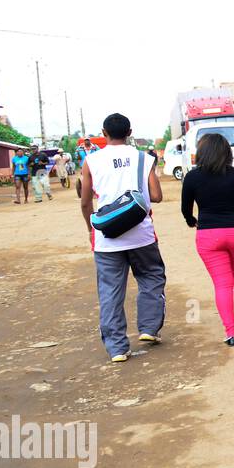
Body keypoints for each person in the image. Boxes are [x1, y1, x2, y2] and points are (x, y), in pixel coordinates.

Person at [79, 113, 166, 363]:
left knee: (110, 291)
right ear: (130, 132)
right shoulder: (144, 158)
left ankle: (117, 348)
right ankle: (149, 329)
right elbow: (157, 196)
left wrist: (89, 229)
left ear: (104, 133)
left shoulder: (91, 161)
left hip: (107, 238)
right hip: (142, 235)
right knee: (151, 277)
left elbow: (86, 202)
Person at [181, 132, 234, 347]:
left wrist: (192, 221)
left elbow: (185, 209)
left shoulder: (192, 177)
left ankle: (230, 332)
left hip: (209, 235)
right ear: (226, 152)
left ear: (202, 153)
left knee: (222, 284)